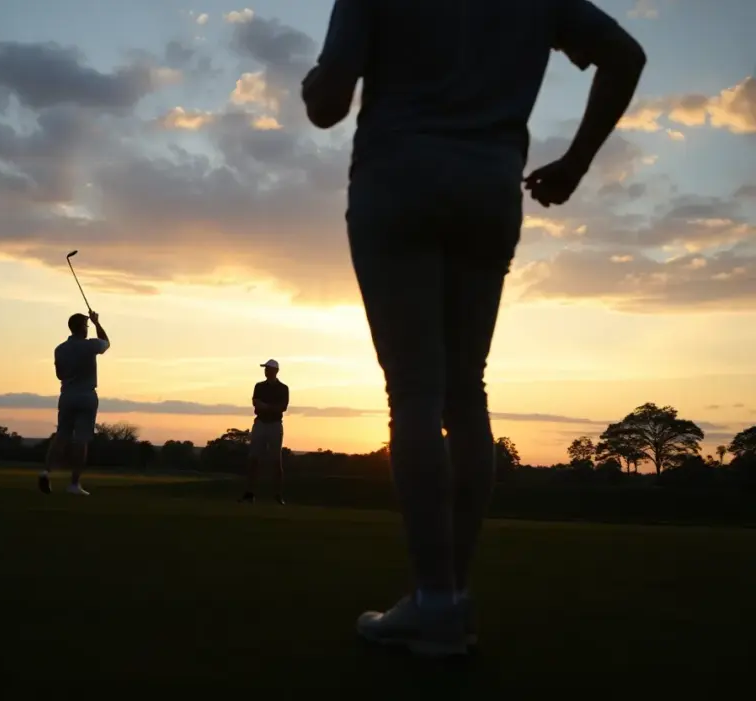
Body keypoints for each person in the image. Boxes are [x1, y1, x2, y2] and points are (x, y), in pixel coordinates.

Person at [301, 0, 646, 657]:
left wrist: (319, 82)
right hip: (489, 189)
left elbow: (329, 104)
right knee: (466, 392)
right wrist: (573, 164)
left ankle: (434, 603)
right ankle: (450, 598)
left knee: (414, 394)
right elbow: (625, 56)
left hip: (397, 179)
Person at [39, 310, 110, 496]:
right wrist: (97, 323)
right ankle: (74, 484)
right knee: (81, 440)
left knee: (61, 436)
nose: (88, 329)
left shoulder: (60, 349)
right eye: (86, 326)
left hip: (67, 395)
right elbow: (106, 343)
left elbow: (59, 375)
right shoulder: (90, 345)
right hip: (86, 396)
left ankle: (46, 471)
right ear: (81, 328)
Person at [240, 359, 289, 505]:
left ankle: (278, 495)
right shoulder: (259, 386)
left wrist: (266, 406)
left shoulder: (283, 388)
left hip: (274, 425)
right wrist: (271, 407)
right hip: (260, 423)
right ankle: (249, 494)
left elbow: (282, 407)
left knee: (276, 461)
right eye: (265, 369)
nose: (266, 371)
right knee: (253, 459)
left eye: (268, 369)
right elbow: (256, 403)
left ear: (275, 371)